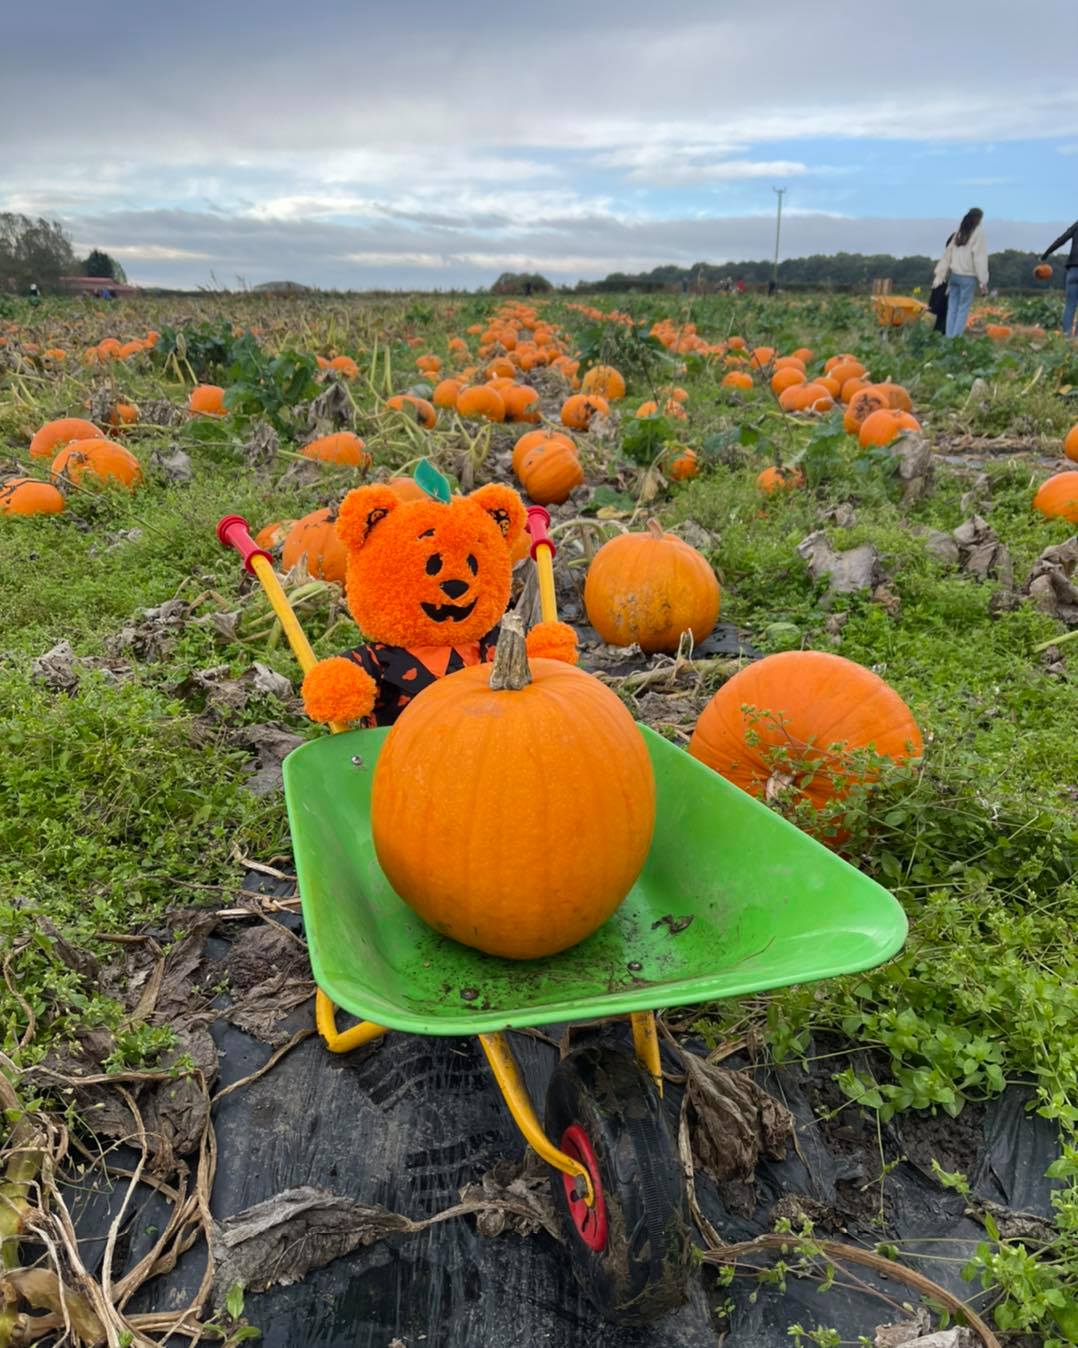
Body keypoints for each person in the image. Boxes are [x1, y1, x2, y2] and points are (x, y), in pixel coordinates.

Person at [933, 208, 988, 338]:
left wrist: (940, 273)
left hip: (954, 276)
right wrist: (983, 281)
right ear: (979, 218)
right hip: (968, 277)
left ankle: (949, 338)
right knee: (962, 310)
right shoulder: (979, 233)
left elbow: (948, 254)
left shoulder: (959, 232)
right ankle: (956, 339)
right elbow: (979, 259)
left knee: (952, 309)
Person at [1040, 219, 1078, 336]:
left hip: (1073, 269)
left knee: (1070, 304)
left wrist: (1045, 254)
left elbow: (1062, 240)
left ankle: (1067, 336)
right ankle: (1077, 339)